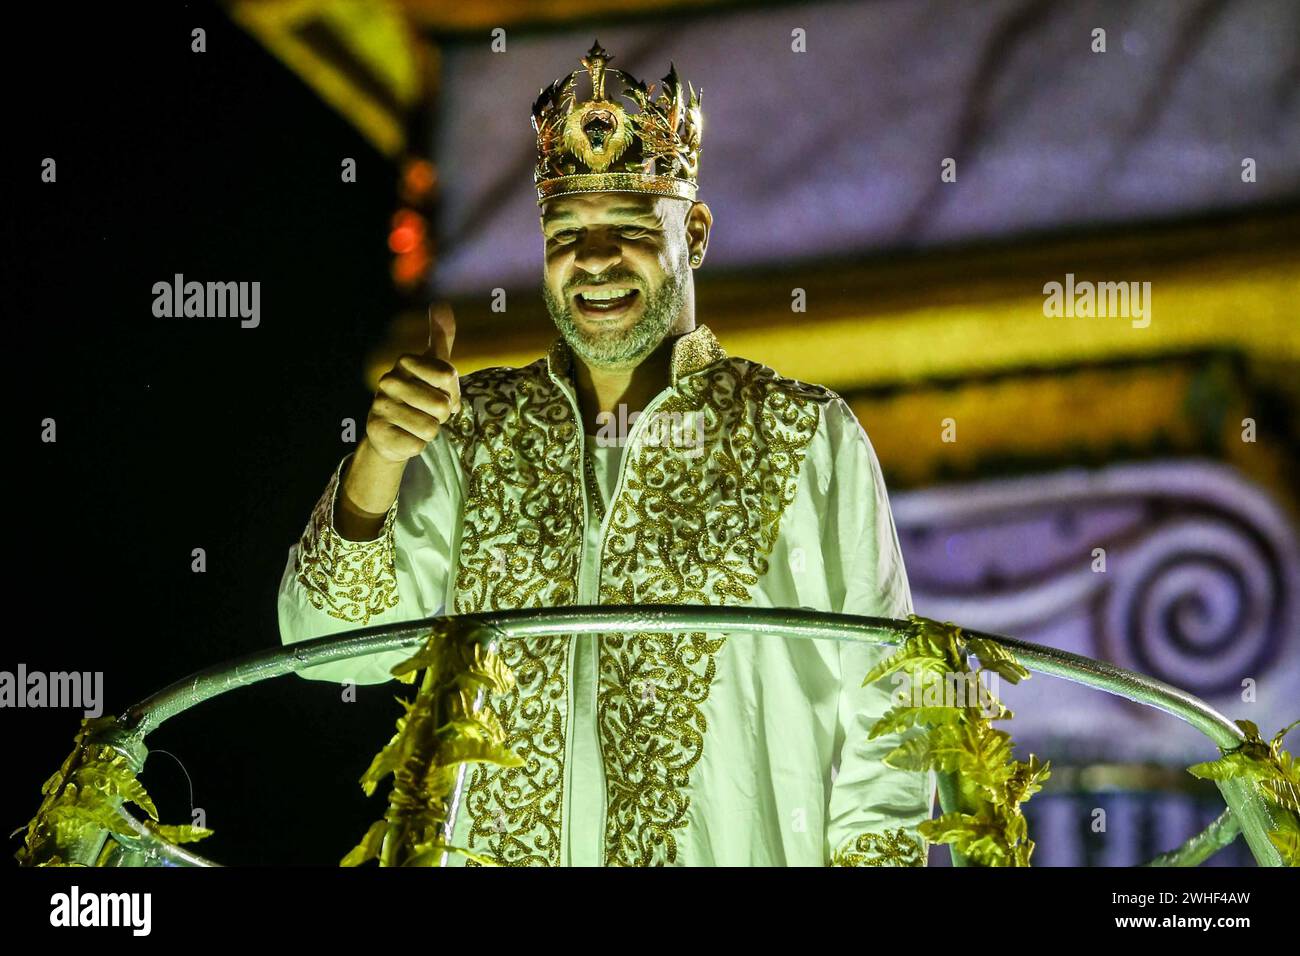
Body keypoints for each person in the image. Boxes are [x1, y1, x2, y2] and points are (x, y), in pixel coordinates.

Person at [277, 39, 935, 866]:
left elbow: (894, 708)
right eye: (565, 231)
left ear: (693, 231)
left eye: (627, 227)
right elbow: (325, 642)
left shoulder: (802, 434)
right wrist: (379, 457)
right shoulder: (475, 429)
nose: (591, 260)